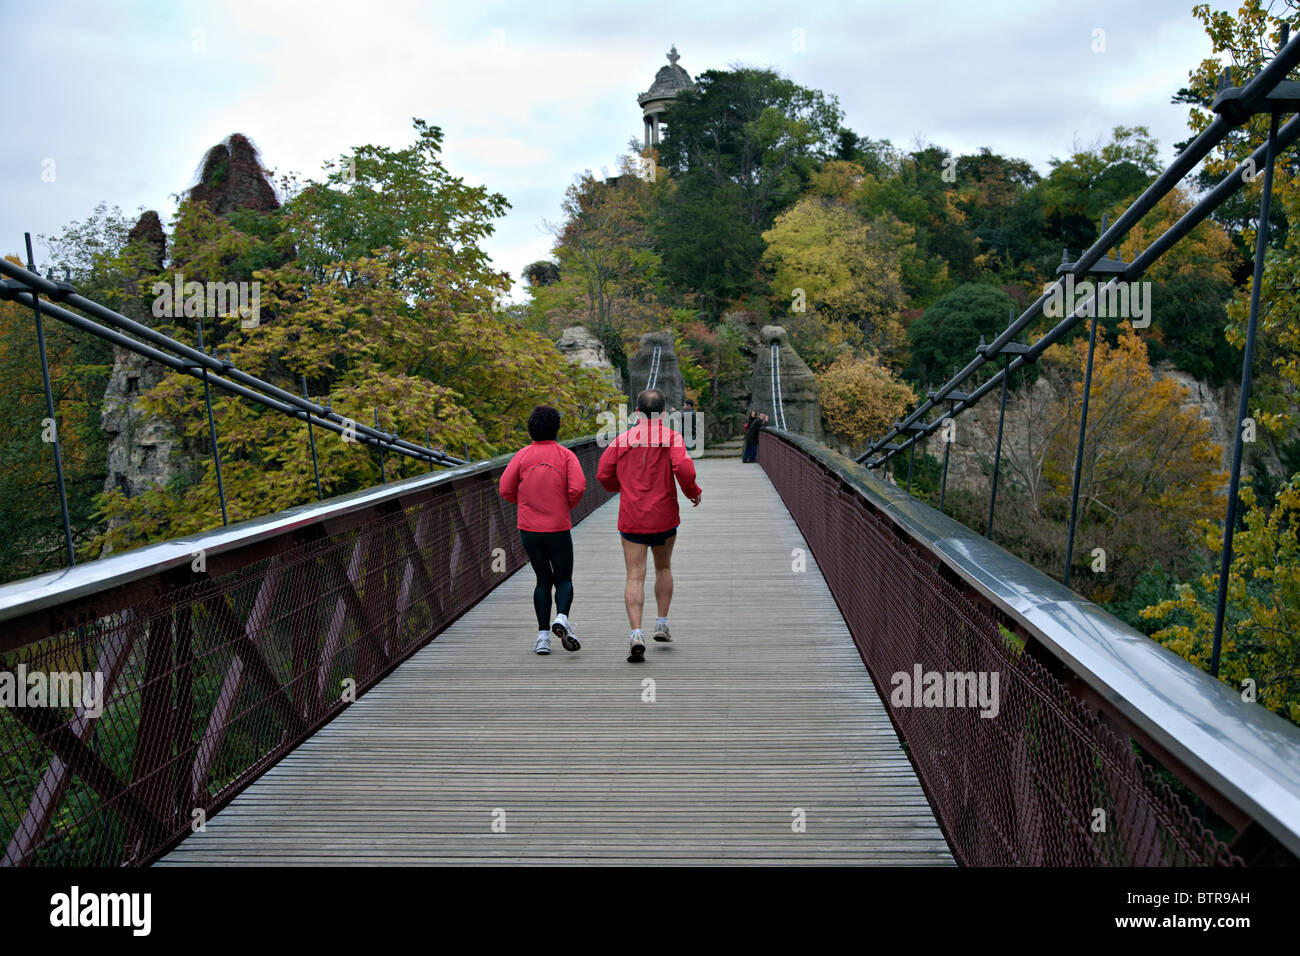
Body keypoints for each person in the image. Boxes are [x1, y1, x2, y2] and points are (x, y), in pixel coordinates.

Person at [597, 389, 702, 662]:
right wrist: (692, 492)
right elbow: (685, 469)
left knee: (634, 576)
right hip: (664, 516)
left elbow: (603, 472)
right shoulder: (671, 438)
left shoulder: (622, 440)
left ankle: (635, 633)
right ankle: (662, 624)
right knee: (663, 567)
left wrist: (619, 487)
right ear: (665, 413)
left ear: (636, 412)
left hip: (632, 516)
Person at [498, 405, 587, 655]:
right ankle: (561, 617)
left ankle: (543, 637)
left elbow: (505, 489)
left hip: (529, 528)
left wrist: (526, 502)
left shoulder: (522, 455)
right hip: (558, 527)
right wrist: (566, 504)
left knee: (542, 580)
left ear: (530, 430)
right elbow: (578, 487)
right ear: (556, 428)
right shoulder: (566, 456)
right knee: (564, 578)